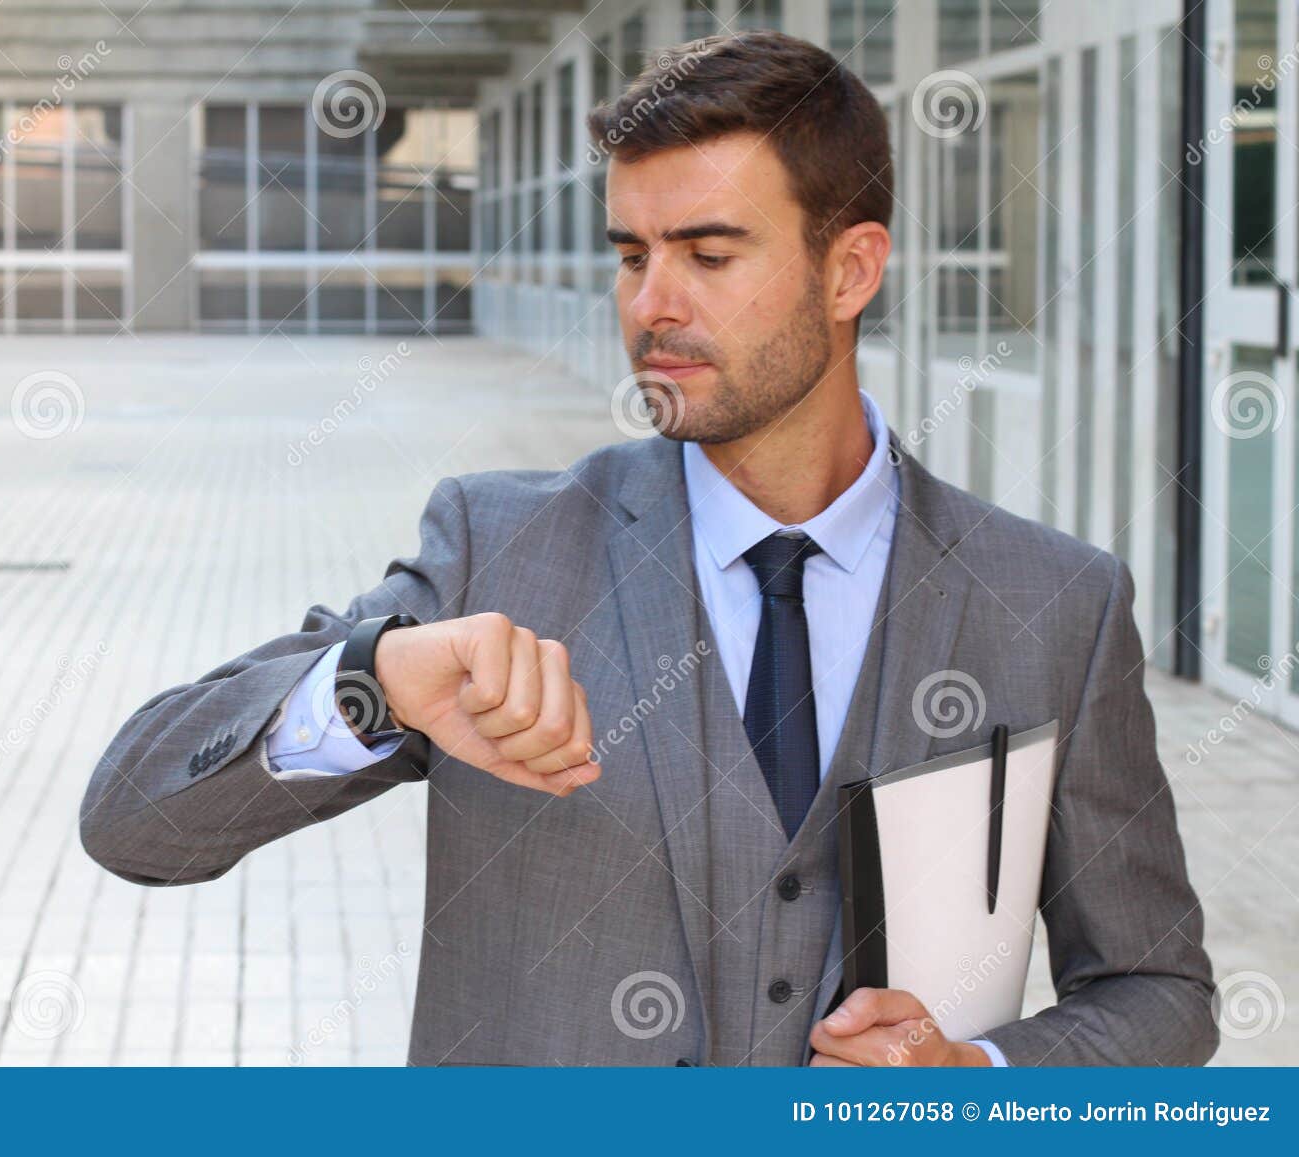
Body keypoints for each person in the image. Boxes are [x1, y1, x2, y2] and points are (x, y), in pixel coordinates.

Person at [80, 29, 1216, 1067]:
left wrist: (979, 1078)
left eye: (709, 255)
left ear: (850, 270)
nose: (650, 304)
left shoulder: (1053, 601)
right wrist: (374, 683)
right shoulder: (497, 549)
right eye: (633, 254)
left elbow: (1156, 991)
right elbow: (135, 819)